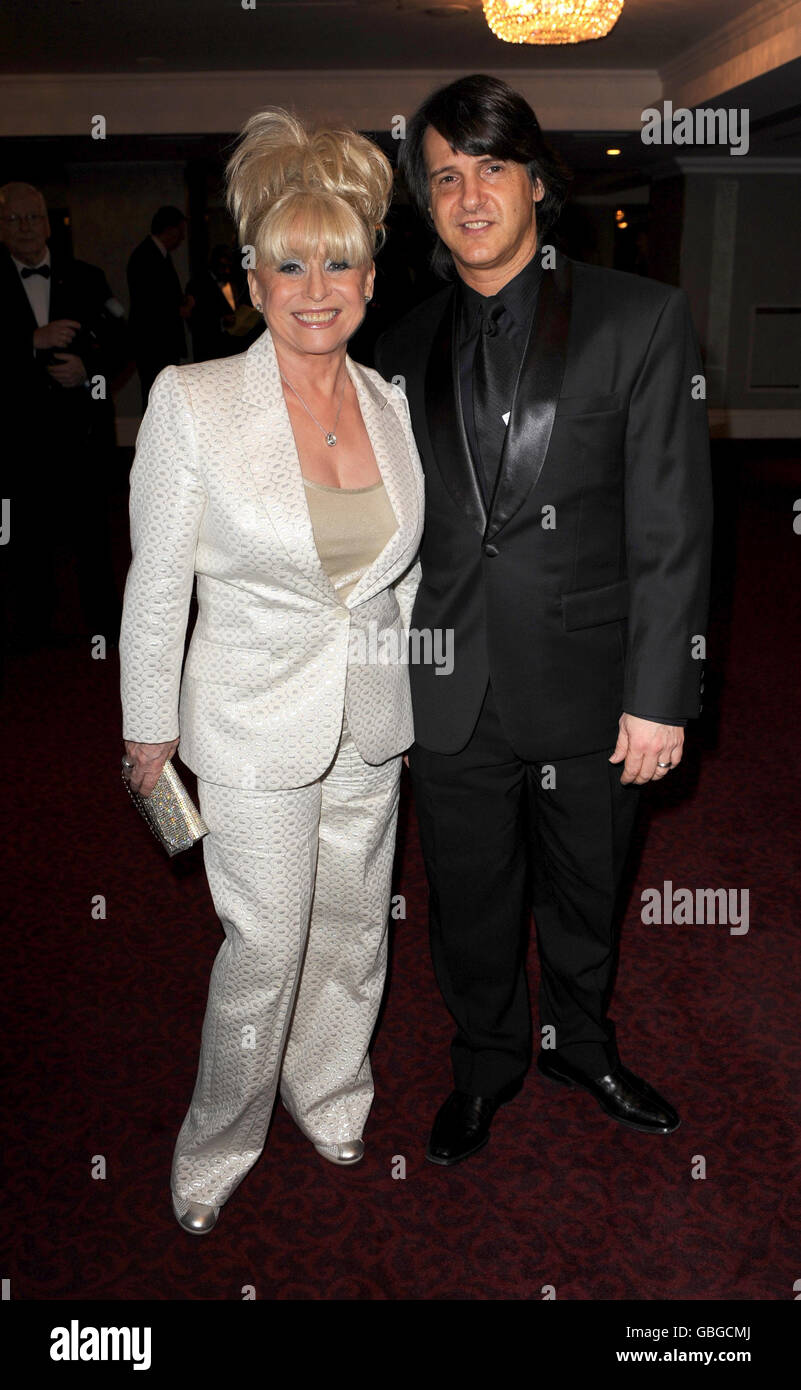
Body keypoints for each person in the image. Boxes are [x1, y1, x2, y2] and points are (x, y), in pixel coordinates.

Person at [375, 74, 713, 1166]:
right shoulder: (397, 346)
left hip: (592, 681)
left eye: (491, 168)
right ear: (427, 203)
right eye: (445, 178)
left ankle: (581, 1045)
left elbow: (671, 522)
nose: (470, 195)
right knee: (467, 898)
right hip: (449, 685)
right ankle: (485, 1063)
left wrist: (660, 695)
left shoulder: (638, 317)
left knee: (586, 888)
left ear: (535, 182)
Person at [119, 109, 424, 1234]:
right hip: (250, 725)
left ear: (370, 278)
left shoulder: (390, 404)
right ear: (251, 280)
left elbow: (400, 576)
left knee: (354, 927)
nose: (314, 288)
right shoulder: (193, 401)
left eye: (337, 263)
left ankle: (330, 1087)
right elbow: (157, 583)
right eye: (288, 264)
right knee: (265, 948)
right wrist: (148, 730)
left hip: (370, 723)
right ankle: (220, 1139)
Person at [0, 181, 125, 654]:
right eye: (13, 220)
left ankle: (105, 630)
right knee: (25, 539)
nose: (25, 228)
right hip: (18, 437)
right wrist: (30, 342)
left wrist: (88, 372)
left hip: (81, 435)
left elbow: (121, 342)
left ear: (48, 224)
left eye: (33, 218)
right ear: (0, 228)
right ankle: (33, 633)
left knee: (93, 535)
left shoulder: (87, 277)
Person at [126, 206, 193, 406]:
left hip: (161, 341)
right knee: (155, 395)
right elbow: (147, 304)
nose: (182, 238)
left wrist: (182, 300)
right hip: (153, 342)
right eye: (180, 232)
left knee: (164, 395)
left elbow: (164, 294)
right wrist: (179, 310)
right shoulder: (145, 256)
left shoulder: (158, 254)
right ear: (170, 230)